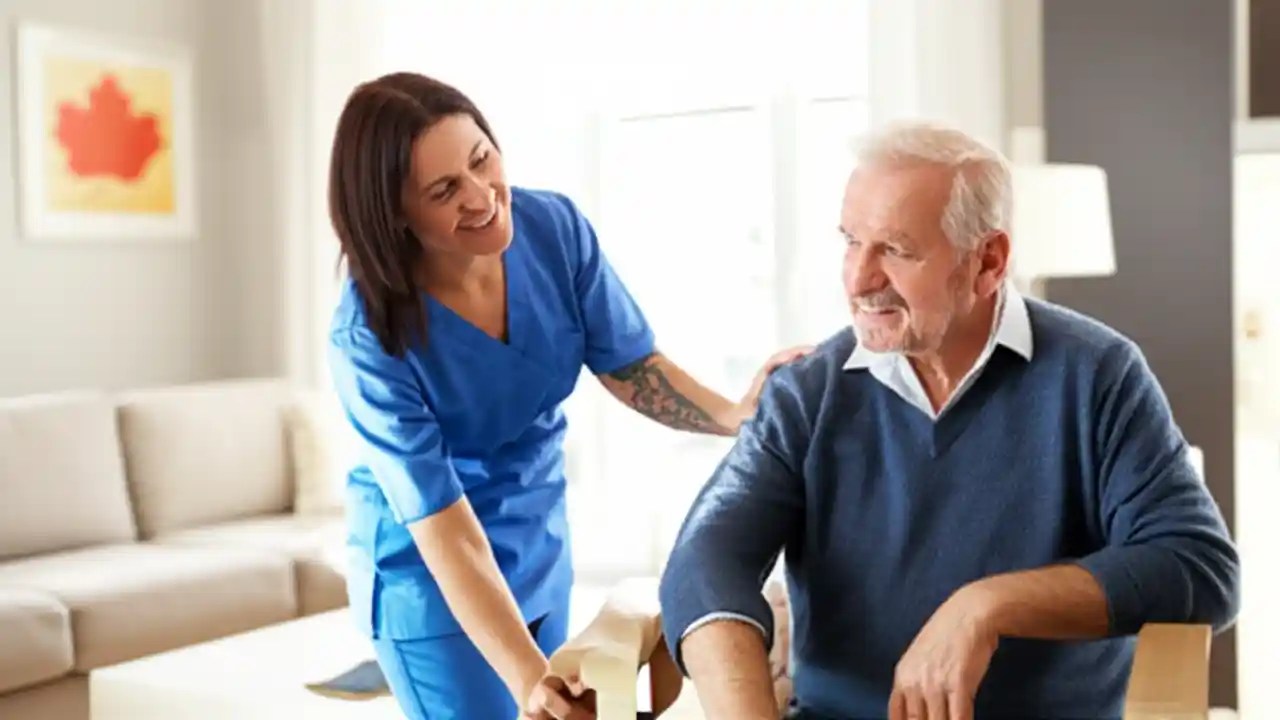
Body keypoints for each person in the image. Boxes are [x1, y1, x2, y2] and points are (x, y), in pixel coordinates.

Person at [656, 121, 1240, 720]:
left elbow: (1198, 565)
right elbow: (705, 561)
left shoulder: (1098, 374)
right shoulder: (807, 393)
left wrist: (987, 605)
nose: (859, 280)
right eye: (851, 241)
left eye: (896, 250)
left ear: (988, 261)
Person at [324, 71, 809, 720]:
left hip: (537, 534)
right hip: (432, 572)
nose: (482, 197)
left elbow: (629, 363)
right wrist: (529, 675)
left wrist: (734, 415)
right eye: (444, 190)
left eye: (481, 160)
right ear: (394, 214)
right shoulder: (369, 336)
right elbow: (446, 532)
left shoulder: (552, 228)